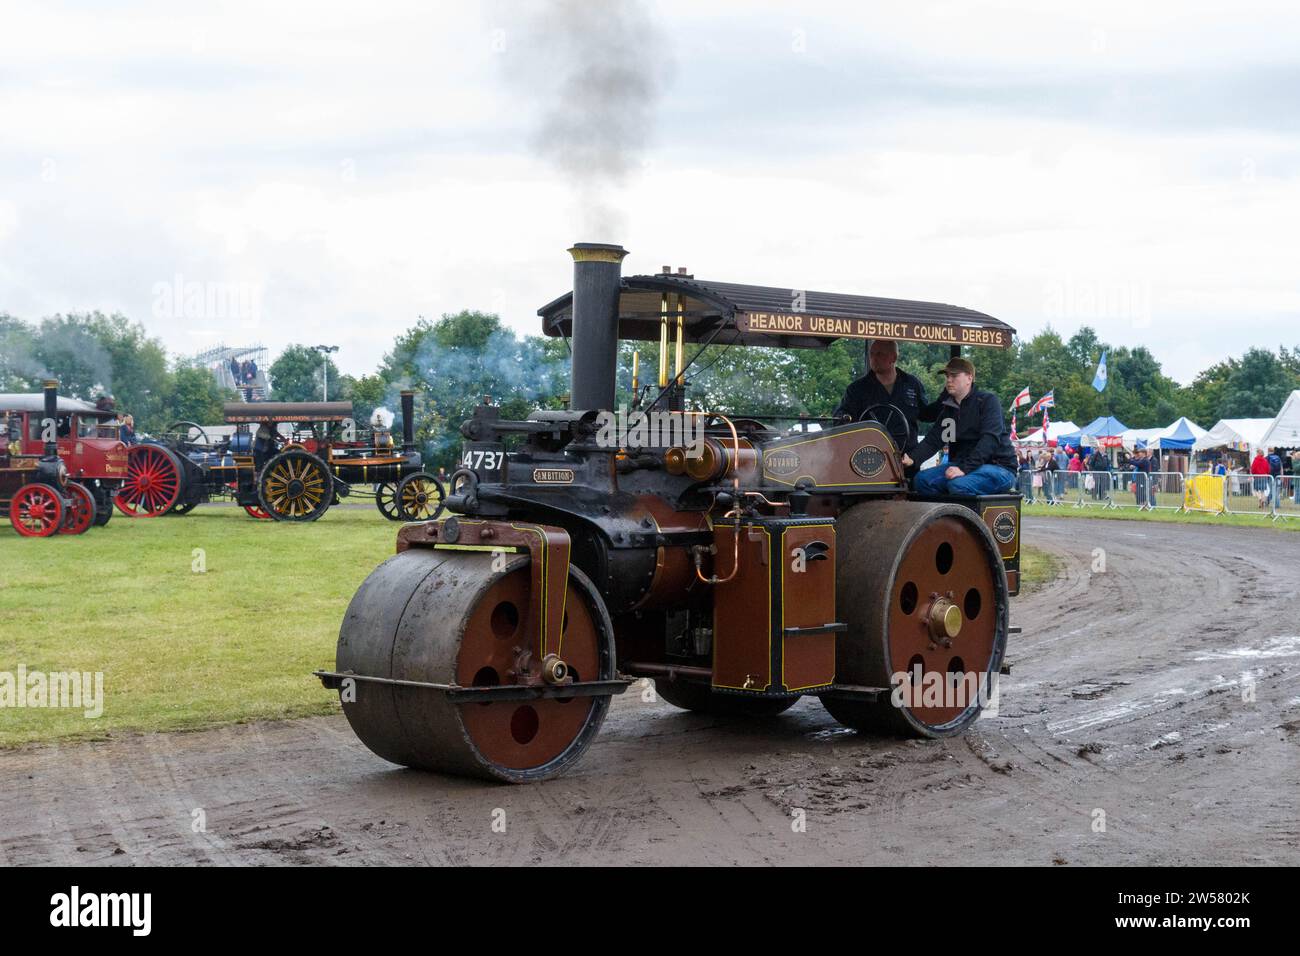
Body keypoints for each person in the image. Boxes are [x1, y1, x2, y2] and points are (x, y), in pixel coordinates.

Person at [901, 356, 1017, 496]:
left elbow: (989, 440)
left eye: (954, 375)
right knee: (921, 481)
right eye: (947, 376)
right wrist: (912, 458)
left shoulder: (987, 402)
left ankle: (965, 517)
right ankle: (943, 517)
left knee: (957, 485)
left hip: (999, 467)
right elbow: (934, 441)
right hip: (965, 466)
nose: (949, 380)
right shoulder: (949, 410)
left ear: (969, 378)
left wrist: (964, 469)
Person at [833, 339, 931, 457]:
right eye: (872, 354)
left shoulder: (912, 384)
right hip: (870, 460)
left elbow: (926, 414)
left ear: (893, 358)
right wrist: (842, 419)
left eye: (879, 354)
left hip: (907, 458)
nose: (874, 358)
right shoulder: (856, 389)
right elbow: (841, 419)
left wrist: (945, 400)